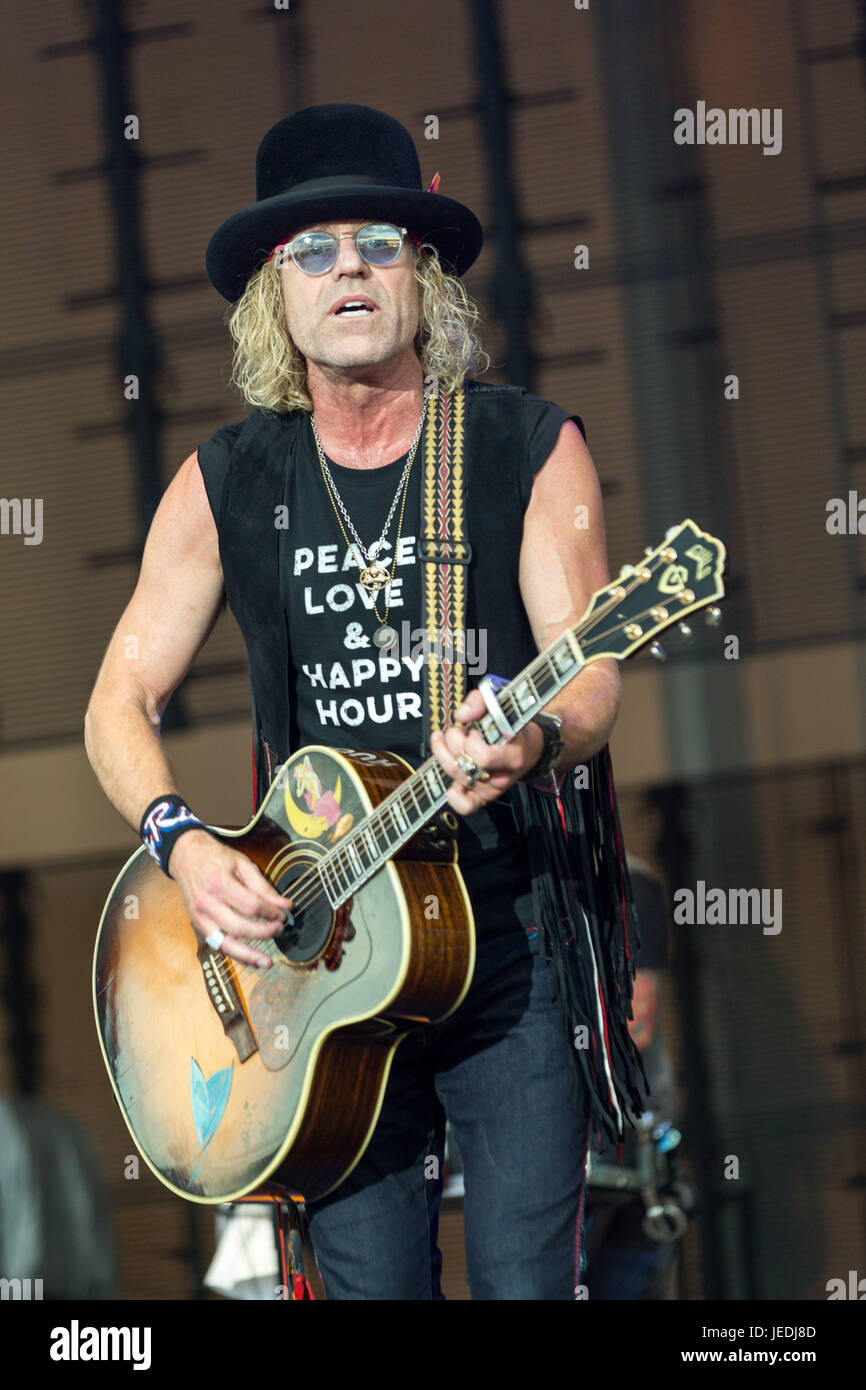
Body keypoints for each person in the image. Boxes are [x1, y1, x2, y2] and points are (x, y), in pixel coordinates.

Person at [84, 103, 645, 1300]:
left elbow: (592, 673)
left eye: (378, 243)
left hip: (507, 947)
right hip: (314, 972)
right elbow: (116, 702)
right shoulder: (226, 480)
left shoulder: (524, 446)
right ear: (269, 299)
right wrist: (181, 847)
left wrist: (532, 734)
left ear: (422, 278)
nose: (348, 268)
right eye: (313, 250)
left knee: (524, 1288)